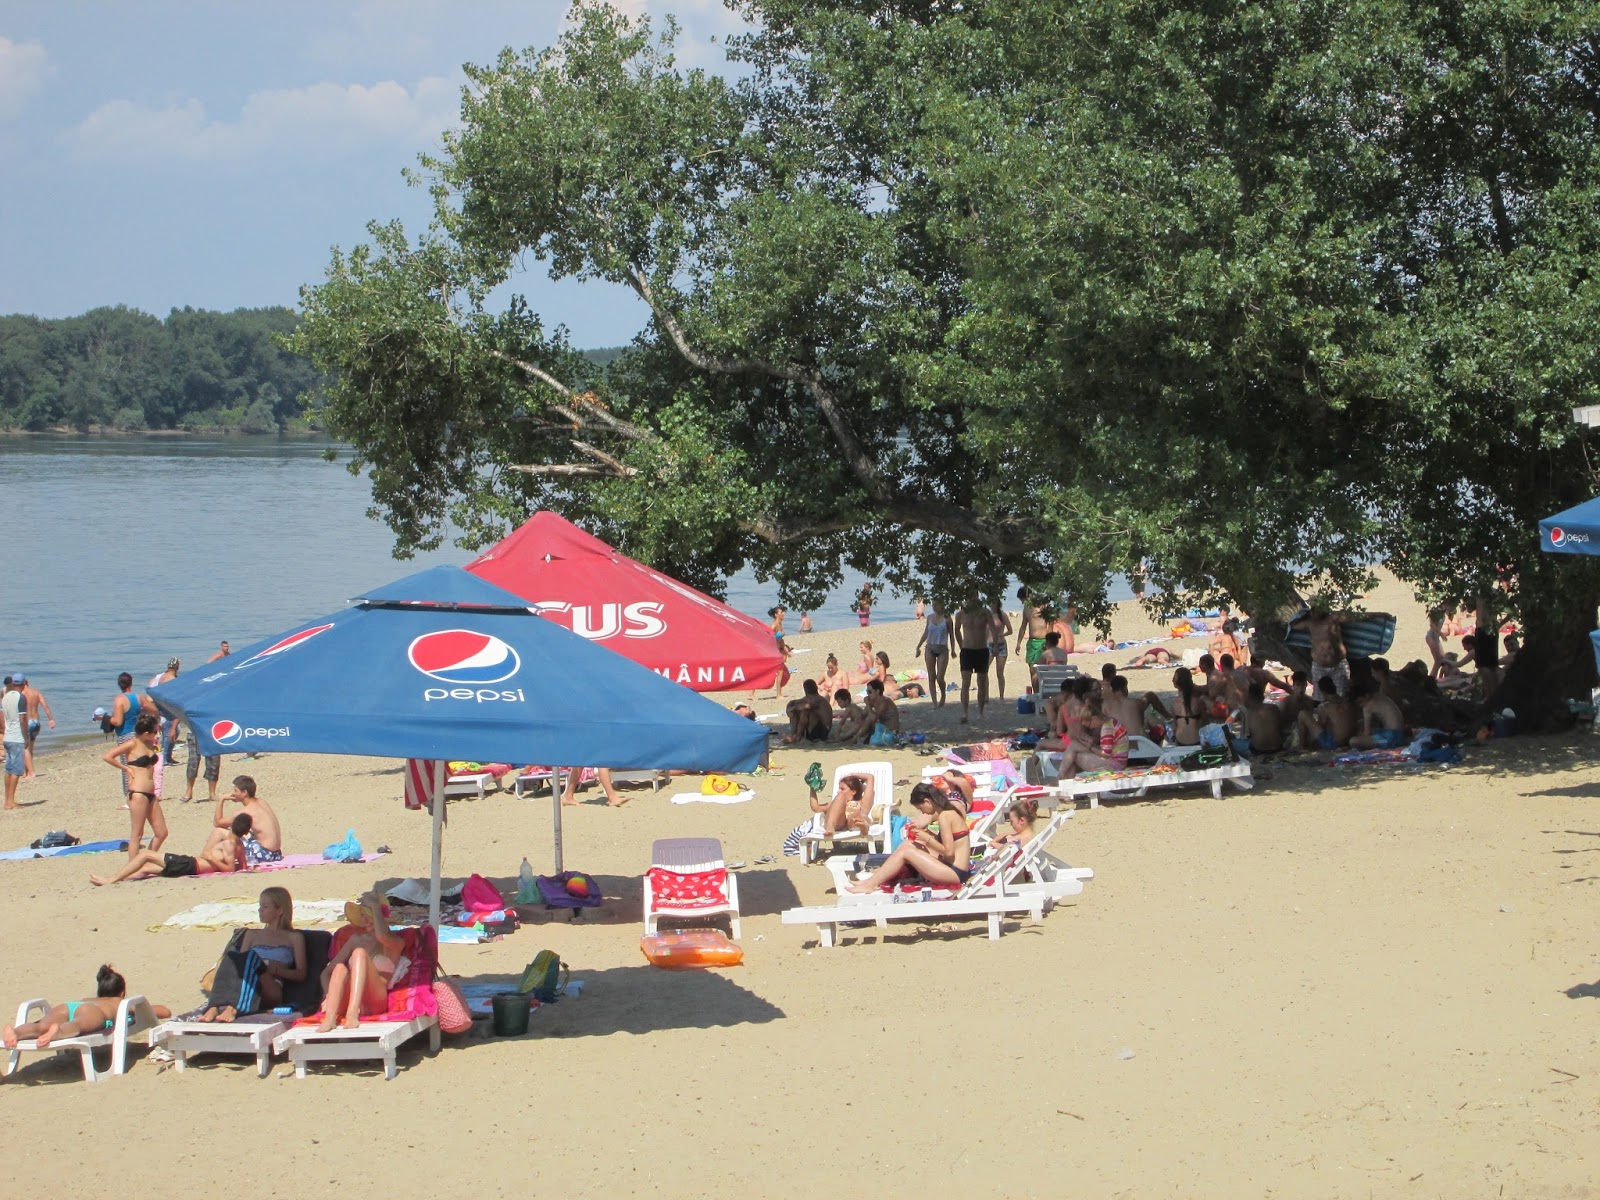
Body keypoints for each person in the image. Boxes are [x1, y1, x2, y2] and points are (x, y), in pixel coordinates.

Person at [200, 886, 307, 1022]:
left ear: (279, 910)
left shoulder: (294, 937)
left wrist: (274, 970)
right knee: (233, 956)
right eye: (259, 906)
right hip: (248, 983)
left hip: (271, 987)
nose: (259, 910)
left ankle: (234, 1008)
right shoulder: (251, 934)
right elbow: (241, 964)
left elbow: (301, 974)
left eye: (265, 907)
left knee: (251, 958)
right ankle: (214, 1005)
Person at [2, 965, 171, 1050]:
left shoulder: (88, 998)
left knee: (40, 1026)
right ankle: (58, 1032)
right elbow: (164, 1012)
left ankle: (16, 1032)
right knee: (76, 1025)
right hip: (92, 1013)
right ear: (122, 992)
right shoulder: (119, 1003)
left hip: (70, 1006)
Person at [846, 782, 972, 892]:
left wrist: (926, 838)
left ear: (927, 801)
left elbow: (949, 852)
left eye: (920, 808)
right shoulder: (951, 812)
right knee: (908, 844)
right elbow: (953, 844)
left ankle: (869, 885)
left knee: (906, 852)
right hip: (954, 867)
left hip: (955, 873)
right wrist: (927, 836)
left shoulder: (945, 816)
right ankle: (871, 881)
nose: (922, 812)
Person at [318, 891, 407, 1032]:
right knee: (340, 968)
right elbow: (325, 973)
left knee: (359, 953)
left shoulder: (395, 942)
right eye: (363, 915)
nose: (365, 920)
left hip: (375, 1000)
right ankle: (330, 1017)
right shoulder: (357, 939)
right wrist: (328, 995)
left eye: (369, 916)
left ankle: (352, 1013)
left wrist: (375, 907)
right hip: (348, 1001)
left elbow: (381, 935)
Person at [90, 812, 251, 885]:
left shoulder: (229, 844)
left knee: (146, 854)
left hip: (191, 865)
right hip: (190, 867)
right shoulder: (240, 845)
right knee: (147, 869)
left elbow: (229, 869)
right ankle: (120, 879)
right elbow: (242, 867)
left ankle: (110, 880)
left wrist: (211, 859)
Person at [105, 713, 168, 857]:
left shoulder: (149, 743)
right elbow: (108, 756)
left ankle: (145, 859)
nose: (156, 734)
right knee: (137, 834)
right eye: (154, 732)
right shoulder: (132, 743)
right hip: (138, 793)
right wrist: (126, 768)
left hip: (151, 794)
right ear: (146, 733)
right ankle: (133, 868)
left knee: (161, 832)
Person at [218, 774, 282, 865]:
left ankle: (222, 860)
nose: (232, 793)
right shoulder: (262, 802)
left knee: (223, 832)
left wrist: (222, 799)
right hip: (276, 854)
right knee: (244, 833)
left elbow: (218, 822)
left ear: (244, 793)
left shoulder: (246, 811)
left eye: (236, 791)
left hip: (264, 855)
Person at [1290, 606, 1349, 698]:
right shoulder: (1310, 623)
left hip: (1338, 664)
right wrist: (1302, 614)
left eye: (1316, 610)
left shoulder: (1333, 618)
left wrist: (1378, 614)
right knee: (1319, 696)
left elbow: (1356, 617)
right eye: (1312, 611)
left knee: (1342, 695)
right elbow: (1294, 625)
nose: (1314, 613)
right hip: (1319, 666)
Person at [953, 591, 992, 724]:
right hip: (967, 651)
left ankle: (981, 712)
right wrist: (960, 644)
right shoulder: (961, 614)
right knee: (965, 682)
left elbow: (992, 628)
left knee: (981, 683)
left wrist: (997, 646)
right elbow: (956, 630)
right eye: (969, 596)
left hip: (981, 650)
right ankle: (965, 713)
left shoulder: (985, 612)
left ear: (977, 596)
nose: (972, 598)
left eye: (973, 595)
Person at [1296, 678, 1360, 750]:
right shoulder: (1349, 702)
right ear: (1335, 688)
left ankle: (1301, 746)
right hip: (1349, 740)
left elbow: (1321, 729)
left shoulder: (1326, 707)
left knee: (1302, 714)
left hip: (1333, 744)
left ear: (1322, 692)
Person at [808, 771, 875, 836]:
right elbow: (816, 808)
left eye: (842, 789)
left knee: (856, 810)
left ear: (853, 791)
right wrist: (812, 787)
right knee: (840, 797)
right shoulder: (836, 805)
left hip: (857, 823)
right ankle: (830, 826)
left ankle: (863, 827)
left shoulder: (863, 802)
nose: (838, 791)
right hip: (840, 824)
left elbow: (870, 777)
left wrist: (852, 774)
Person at [1350, 679, 1407, 750]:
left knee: (1353, 741)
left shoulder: (1368, 706)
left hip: (1391, 738)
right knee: (1361, 725)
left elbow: (1367, 733)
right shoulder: (1379, 696)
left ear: (1366, 696)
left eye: (1360, 701)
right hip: (1399, 735)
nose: (1360, 705)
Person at [915, 600, 952, 707]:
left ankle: (943, 694)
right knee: (931, 677)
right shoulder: (930, 617)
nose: (934, 607)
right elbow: (926, 632)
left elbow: (951, 635)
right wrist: (918, 646)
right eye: (933, 605)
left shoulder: (947, 618)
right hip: (930, 649)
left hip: (943, 650)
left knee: (940, 677)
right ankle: (934, 702)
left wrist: (953, 649)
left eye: (937, 604)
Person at [1016, 586, 1053, 685]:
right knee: (1032, 670)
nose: (1022, 602)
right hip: (1032, 642)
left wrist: (1049, 640)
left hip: (1043, 640)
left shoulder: (1043, 606)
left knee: (1044, 669)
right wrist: (1018, 643)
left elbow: (1050, 622)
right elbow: (1023, 626)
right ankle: (1035, 694)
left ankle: (1044, 692)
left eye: (1022, 600)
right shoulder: (1026, 609)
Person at [180, 718, 222, 805]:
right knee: (193, 761)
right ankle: (189, 791)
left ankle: (212, 793)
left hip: (211, 730)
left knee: (214, 760)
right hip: (193, 730)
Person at [1236, 681, 1285, 756]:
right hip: (1277, 747)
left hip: (1258, 750)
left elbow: (1245, 736)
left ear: (1249, 697)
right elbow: (1280, 728)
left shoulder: (1248, 713)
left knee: (1233, 743)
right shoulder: (1274, 708)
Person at [20, 674, 54, 779]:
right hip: (36, 723)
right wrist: (51, 719)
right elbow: (45, 705)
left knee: (25, 748)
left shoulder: (20, 694)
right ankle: (26, 772)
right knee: (30, 748)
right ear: (27, 683)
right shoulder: (36, 692)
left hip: (27, 723)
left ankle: (31, 772)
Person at [783, 679, 833, 744]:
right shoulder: (809, 698)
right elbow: (793, 702)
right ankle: (793, 734)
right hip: (814, 729)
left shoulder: (818, 700)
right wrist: (790, 708)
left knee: (804, 711)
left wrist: (791, 709)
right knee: (796, 710)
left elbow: (806, 706)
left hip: (822, 731)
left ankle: (797, 736)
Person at [150, 658, 180, 764]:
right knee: (170, 731)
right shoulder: (172, 679)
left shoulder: (161, 676)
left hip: (158, 705)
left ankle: (168, 756)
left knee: (174, 730)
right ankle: (165, 758)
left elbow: (152, 687)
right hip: (167, 706)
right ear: (177, 667)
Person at [1168, 667, 1208, 747]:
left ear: (1175, 684)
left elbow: (1176, 725)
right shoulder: (1198, 701)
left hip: (1180, 742)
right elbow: (1205, 722)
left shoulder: (1174, 703)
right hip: (1197, 741)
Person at [1, 675, 24, 810]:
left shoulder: (5, 696)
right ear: (24, 683)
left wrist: (4, 730)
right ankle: (10, 801)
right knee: (15, 770)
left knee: (8, 770)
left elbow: (1, 717)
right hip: (16, 738)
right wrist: (25, 736)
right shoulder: (20, 697)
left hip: (7, 737)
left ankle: (7, 800)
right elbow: (22, 720)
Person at [987, 597, 1015, 700]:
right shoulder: (987, 615)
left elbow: (1010, 630)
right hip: (989, 644)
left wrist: (1001, 634)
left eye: (993, 603)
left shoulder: (1002, 615)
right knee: (985, 670)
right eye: (990, 603)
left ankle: (1001, 696)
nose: (991, 605)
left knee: (999, 672)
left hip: (1001, 645)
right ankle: (986, 695)